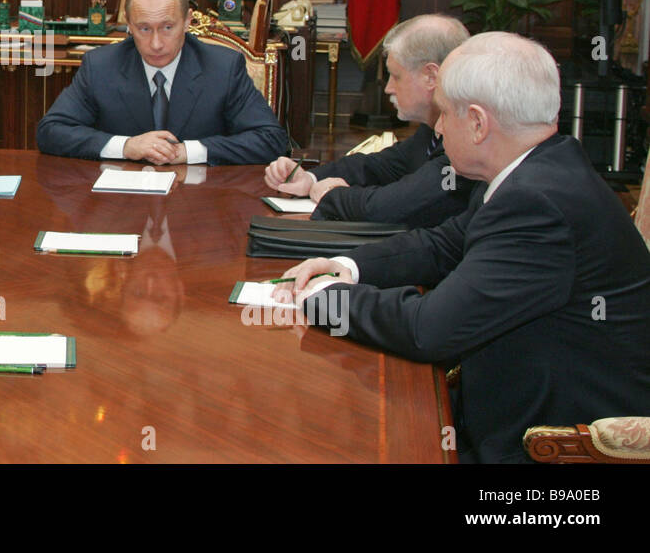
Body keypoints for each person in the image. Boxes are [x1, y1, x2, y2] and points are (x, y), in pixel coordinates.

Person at [272, 32, 650, 463]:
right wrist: (346, 266)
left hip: (547, 444)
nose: (437, 126)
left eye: (445, 113)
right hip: (507, 401)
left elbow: (429, 329)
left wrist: (326, 299)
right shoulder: (540, 167)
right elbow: (444, 244)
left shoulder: (538, 203)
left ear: (477, 122)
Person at [36, 0, 287, 165]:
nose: (156, 43)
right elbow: (51, 132)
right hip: (121, 207)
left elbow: (271, 140)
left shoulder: (223, 67)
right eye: (144, 28)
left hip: (201, 205)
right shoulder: (101, 66)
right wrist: (126, 147)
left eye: (167, 27)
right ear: (129, 25)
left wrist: (189, 152)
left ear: (188, 21)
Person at [264, 14, 474, 227]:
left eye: (396, 76)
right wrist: (310, 179)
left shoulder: (464, 141)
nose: (388, 88)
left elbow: (392, 206)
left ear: (431, 76)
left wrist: (333, 194)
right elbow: (379, 165)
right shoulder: (431, 131)